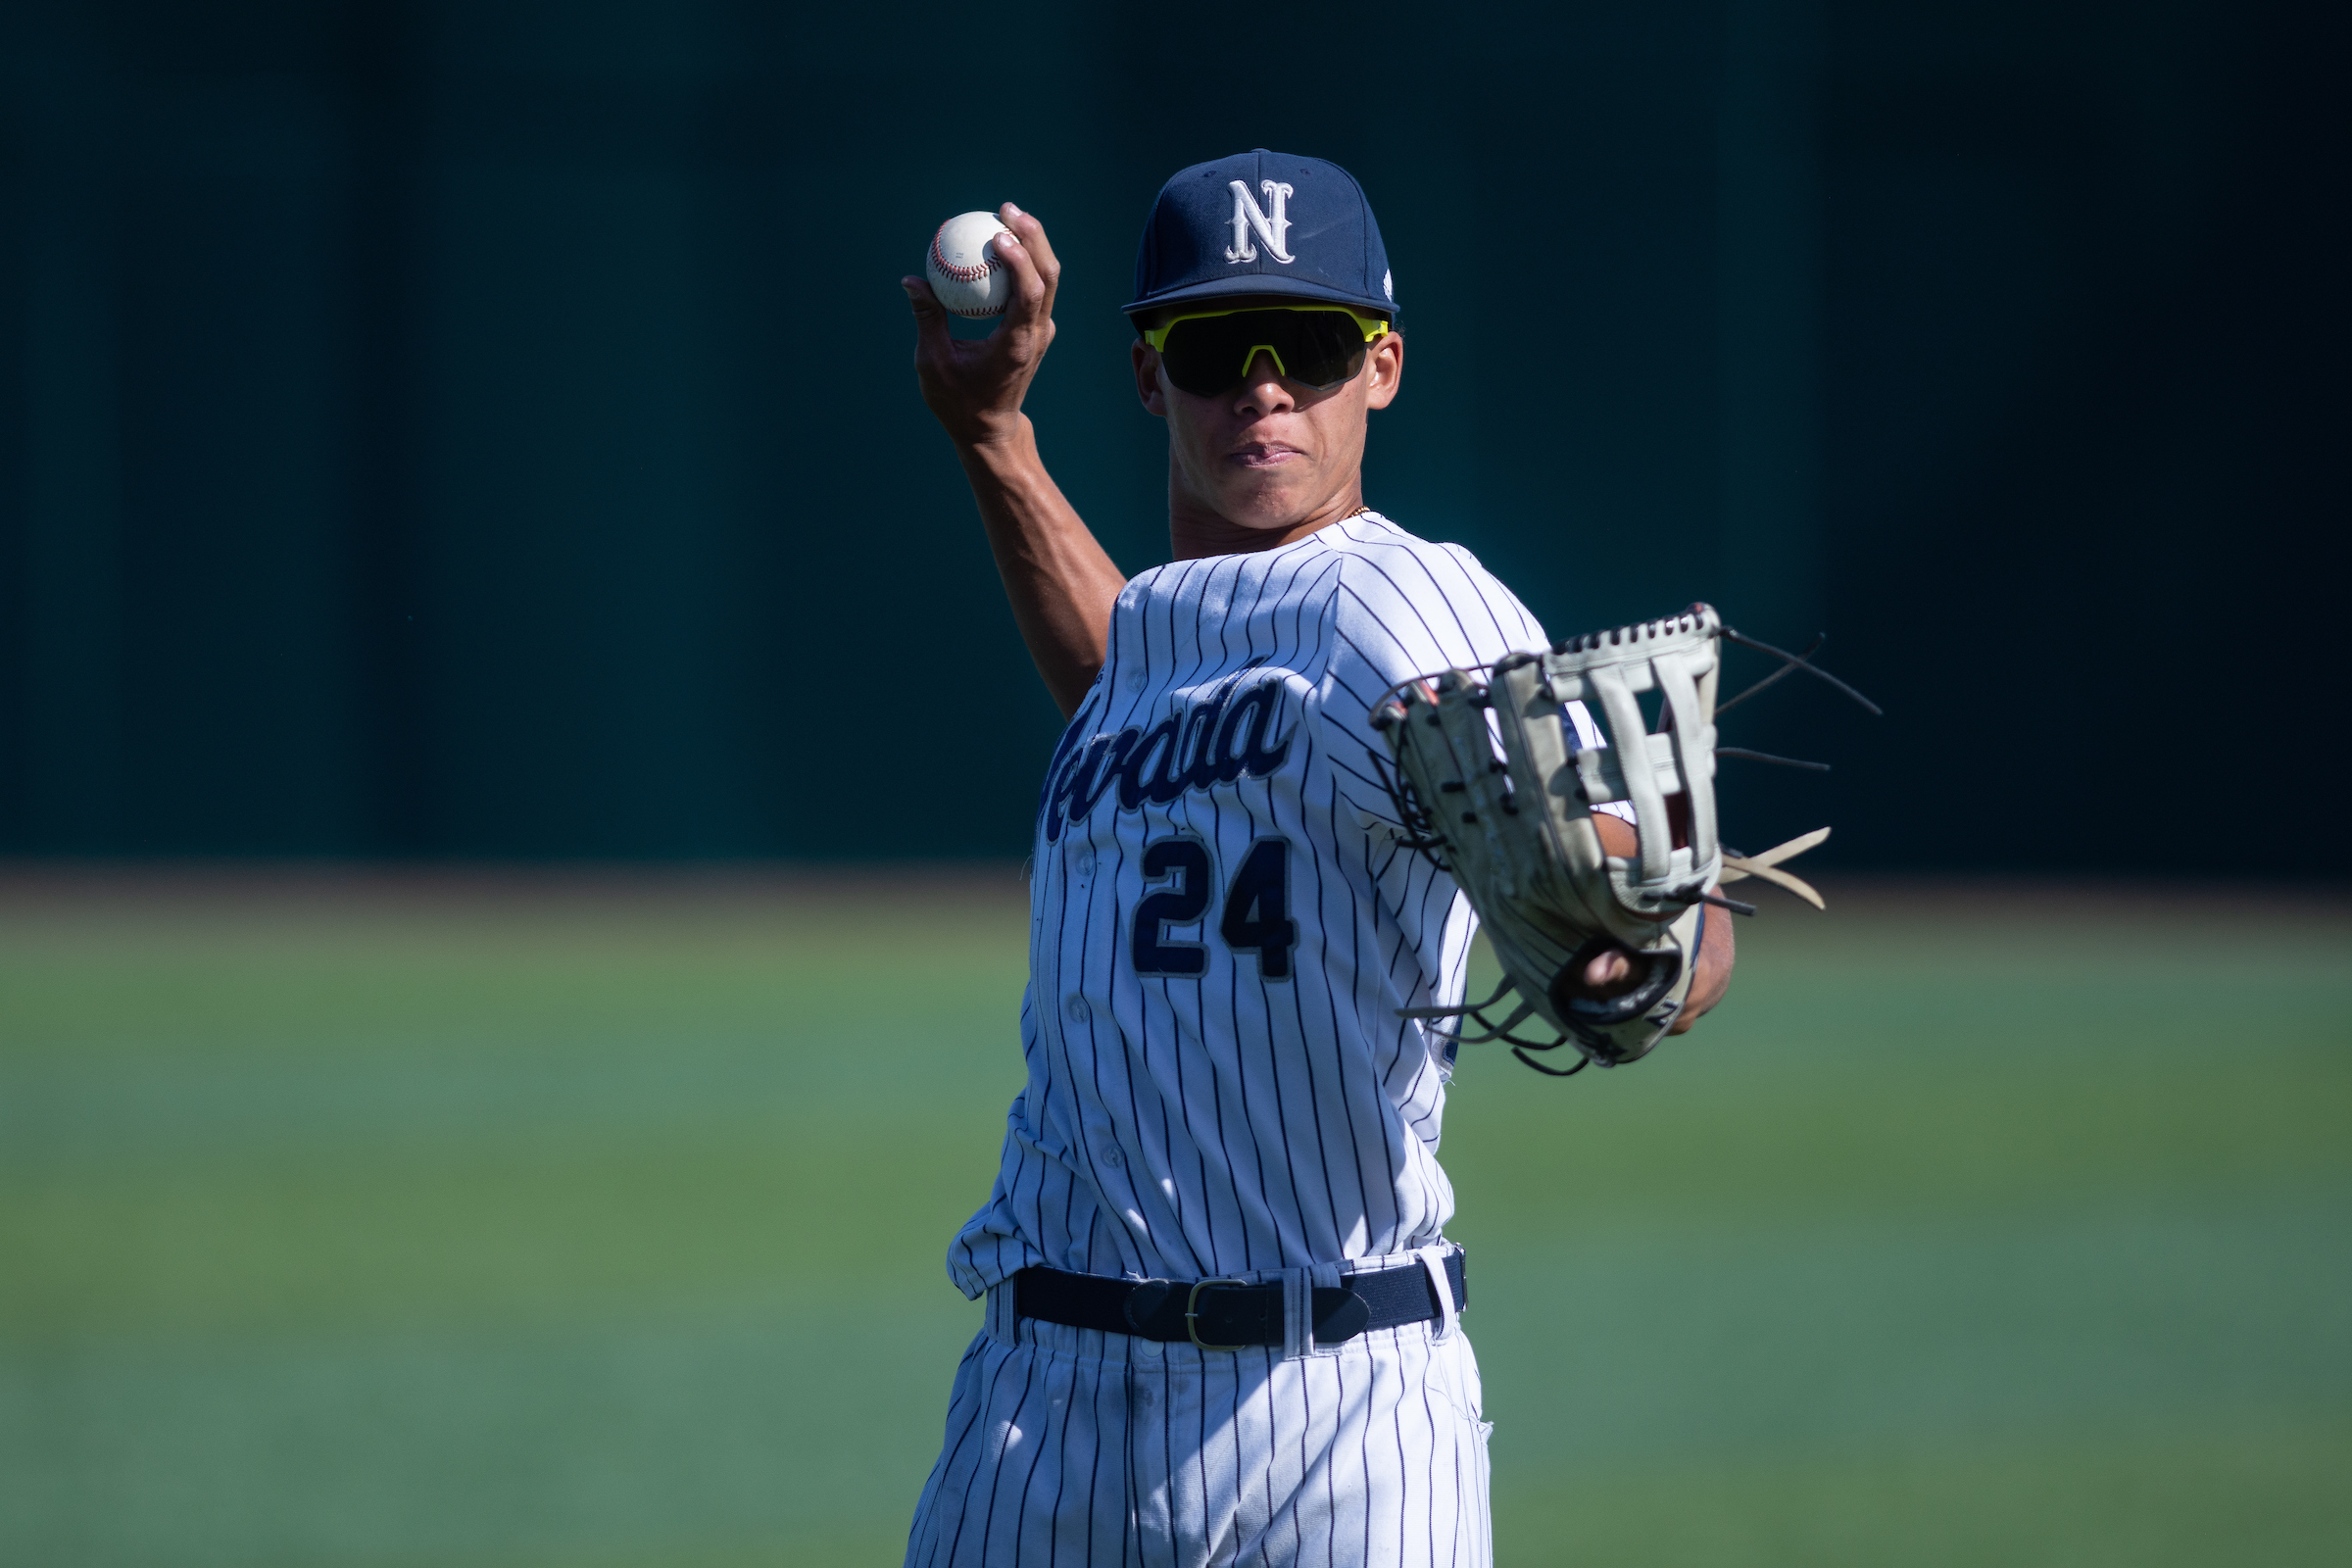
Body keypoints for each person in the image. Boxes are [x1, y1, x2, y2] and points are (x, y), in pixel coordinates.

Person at [895, 149, 1733, 1568]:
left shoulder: (1406, 600)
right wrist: (993, 437)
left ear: (1384, 365)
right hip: (1040, 1407)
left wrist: (1655, 951)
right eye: (1218, 345)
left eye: (1314, 343)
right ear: (1154, 374)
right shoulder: (1168, 632)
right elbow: (1139, 700)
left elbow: (1654, 888)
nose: (1264, 384)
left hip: (1328, 1411)